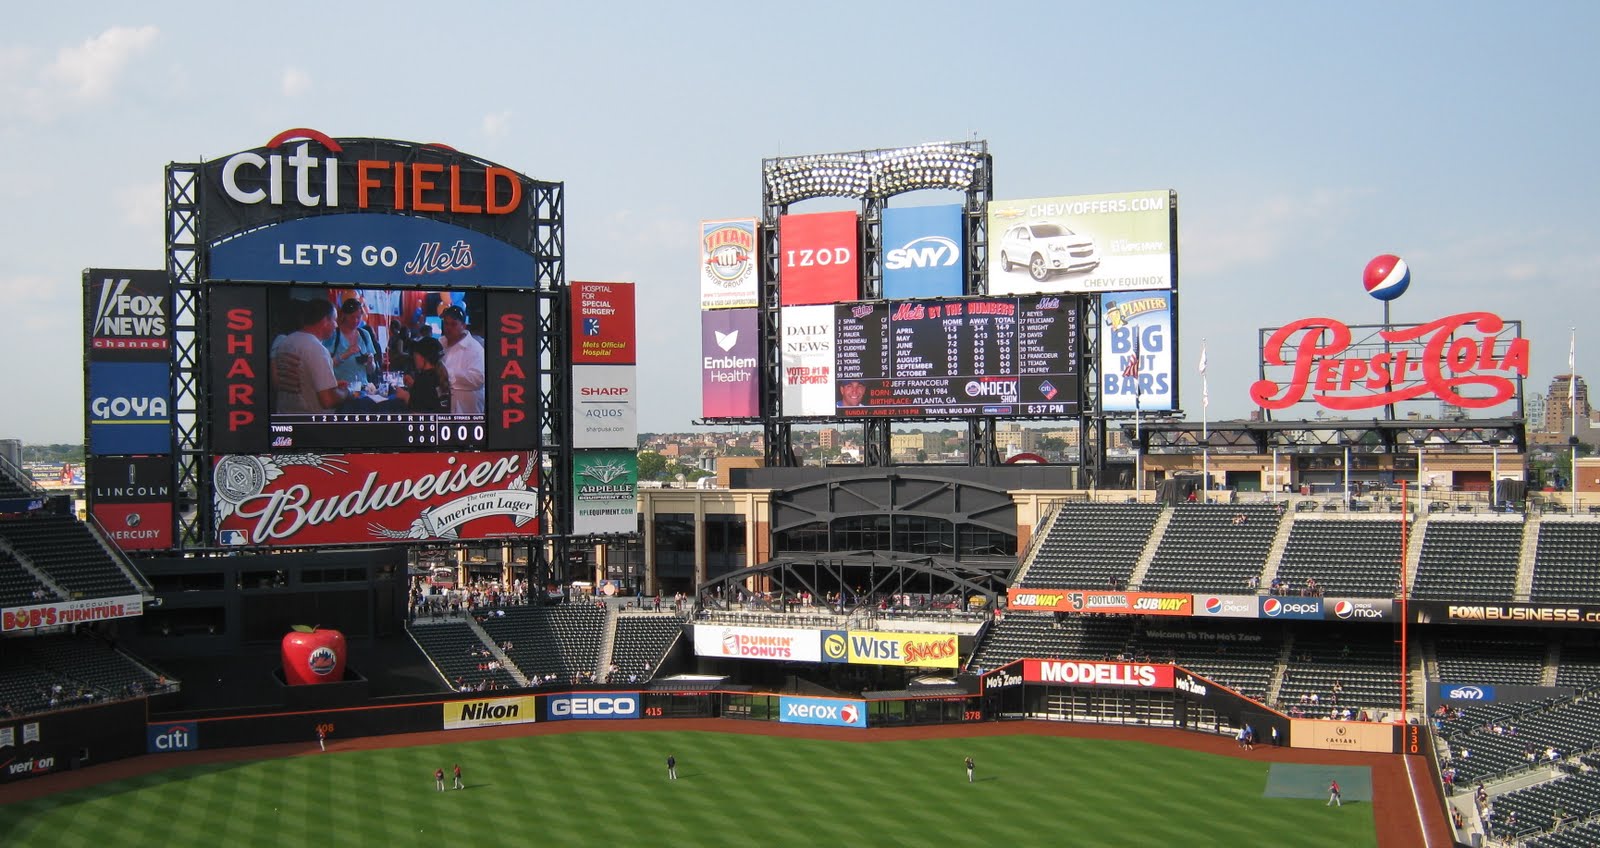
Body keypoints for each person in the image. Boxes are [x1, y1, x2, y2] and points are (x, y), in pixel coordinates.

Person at [272, 298, 350, 413]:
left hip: (286, 416)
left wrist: (332, 385)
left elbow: (300, 380)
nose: (336, 325)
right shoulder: (316, 349)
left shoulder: (285, 342)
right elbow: (328, 400)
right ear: (325, 321)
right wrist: (347, 392)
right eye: (334, 320)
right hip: (312, 420)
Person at [439, 305, 485, 414]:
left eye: (453, 324)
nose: (448, 328)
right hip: (444, 411)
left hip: (466, 412)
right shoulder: (440, 343)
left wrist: (447, 375)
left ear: (463, 326)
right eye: (446, 323)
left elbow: (478, 378)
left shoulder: (474, 348)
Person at [325, 297, 380, 386]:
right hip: (340, 387)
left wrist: (370, 363)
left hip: (362, 387)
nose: (355, 320)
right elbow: (325, 365)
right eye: (352, 317)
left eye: (358, 317)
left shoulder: (364, 335)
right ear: (344, 315)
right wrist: (346, 354)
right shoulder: (333, 334)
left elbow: (371, 371)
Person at [394, 337, 451, 413]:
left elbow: (419, 413)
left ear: (423, 358)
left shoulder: (424, 379)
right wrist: (414, 385)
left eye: (416, 354)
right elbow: (429, 399)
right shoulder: (439, 374)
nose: (414, 357)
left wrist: (405, 396)